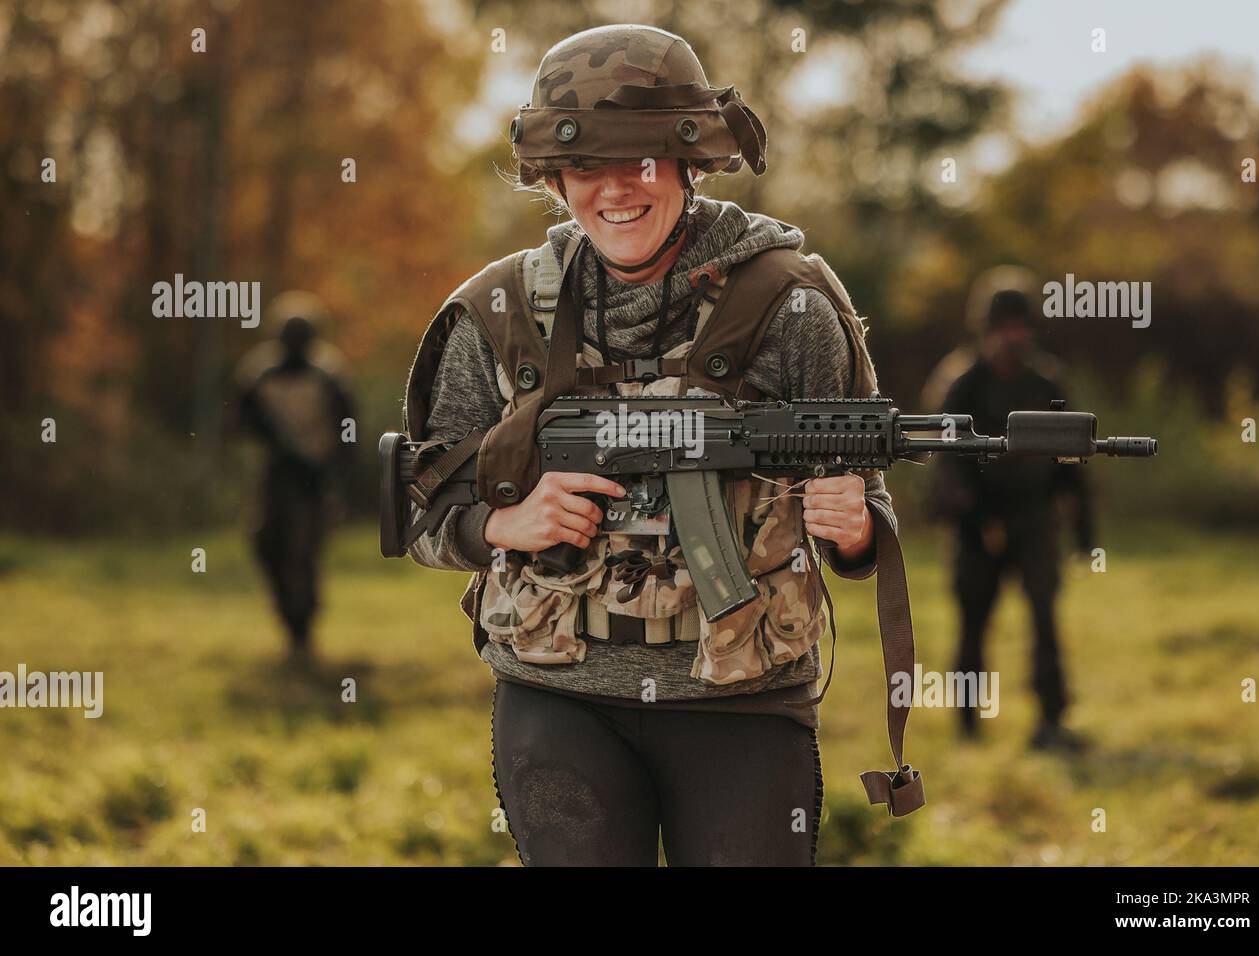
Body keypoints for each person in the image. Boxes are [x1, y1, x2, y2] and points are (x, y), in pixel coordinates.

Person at [405, 24, 904, 866]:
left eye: (639, 162)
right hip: (558, 696)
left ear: (689, 162)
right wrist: (502, 525)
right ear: (555, 177)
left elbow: (864, 510)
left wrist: (853, 527)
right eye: (587, 167)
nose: (614, 190)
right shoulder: (498, 317)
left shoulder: (792, 303)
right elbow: (417, 506)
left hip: (742, 699)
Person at [923, 267, 1094, 751]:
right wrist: (973, 518)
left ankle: (1052, 720)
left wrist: (1083, 531)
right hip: (975, 523)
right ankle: (968, 724)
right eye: (1003, 328)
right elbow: (943, 460)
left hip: (1034, 519)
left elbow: (1073, 456)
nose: (1012, 337)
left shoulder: (1047, 382)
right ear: (985, 330)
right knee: (974, 623)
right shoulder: (960, 384)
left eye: (1020, 327)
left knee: (1044, 618)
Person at [237, 292, 355, 660]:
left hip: (315, 480)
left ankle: (302, 632)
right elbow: (243, 421)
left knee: (302, 554)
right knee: (268, 545)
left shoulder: (330, 376)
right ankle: (290, 621)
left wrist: (332, 467)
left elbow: (349, 427)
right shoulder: (259, 374)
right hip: (276, 476)